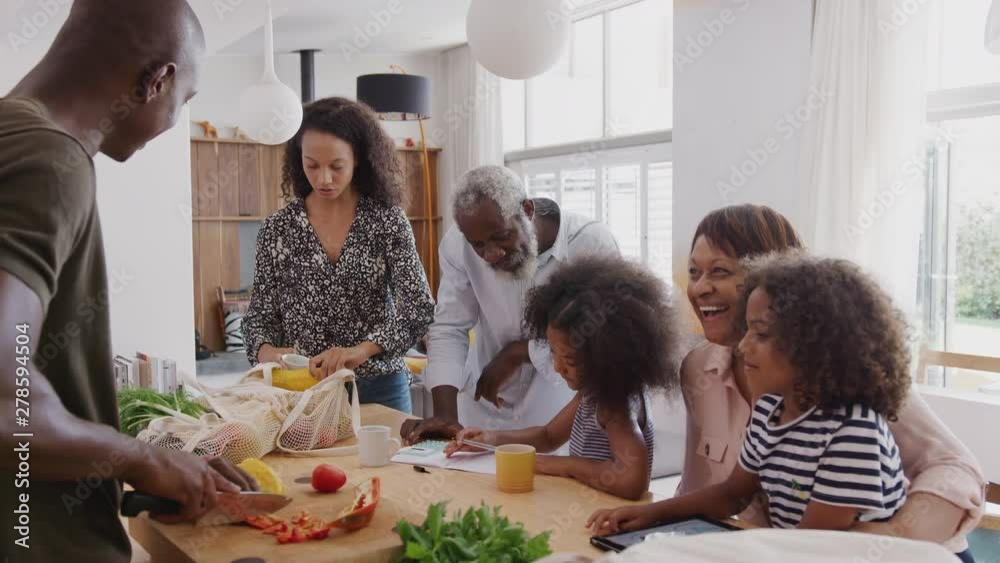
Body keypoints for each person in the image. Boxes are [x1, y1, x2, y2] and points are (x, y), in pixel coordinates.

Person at [0, 3, 258, 563]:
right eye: (183, 101)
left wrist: (141, 459)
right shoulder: (51, 162)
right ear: (156, 80)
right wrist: (147, 461)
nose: (172, 123)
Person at [628, 205, 983, 556]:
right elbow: (712, 488)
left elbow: (956, 469)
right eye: (694, 272)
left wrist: (892, 534)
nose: (700, 288)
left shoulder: (852, 387)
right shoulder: (701, 369)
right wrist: (658, 528)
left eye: (719, 271)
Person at [588, 254, 911, 530]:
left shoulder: (853, 433)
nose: (743, 347)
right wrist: (651, 514)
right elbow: (732, 493)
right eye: (747, 330)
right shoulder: (770, 410)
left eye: (761, 334)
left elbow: (814, 546)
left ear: (815, 346)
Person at [400, 166, 619, 444]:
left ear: (527, 210)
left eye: (501, 237)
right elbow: (449, 328)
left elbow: (600, 340)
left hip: (558, 414)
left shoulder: (589, 243)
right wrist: (446, 415)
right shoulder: (458, 243)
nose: (490, 254)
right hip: (484, 411)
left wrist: (521, 352)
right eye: (478, 245)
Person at [242, 97, 434, 413]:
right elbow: (260, 315)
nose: (324, 179)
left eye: (336, 166)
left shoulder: (387, 221)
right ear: (298, 159)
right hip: (304, 392)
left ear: (358, 158)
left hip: (379, 388)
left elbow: (418, 309)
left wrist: (362, 350)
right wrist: (266, 352)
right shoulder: (278, 228)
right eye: (312, 165)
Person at [445, 255, 683, 500]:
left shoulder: (615, 406)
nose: (557, 367)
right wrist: (492, 439)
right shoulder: (593, 393)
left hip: (608, 517)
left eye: (569, 360)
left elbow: (633, 480)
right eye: (552, 352)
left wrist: (566, 466)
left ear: (606, 356)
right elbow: (548, 436)